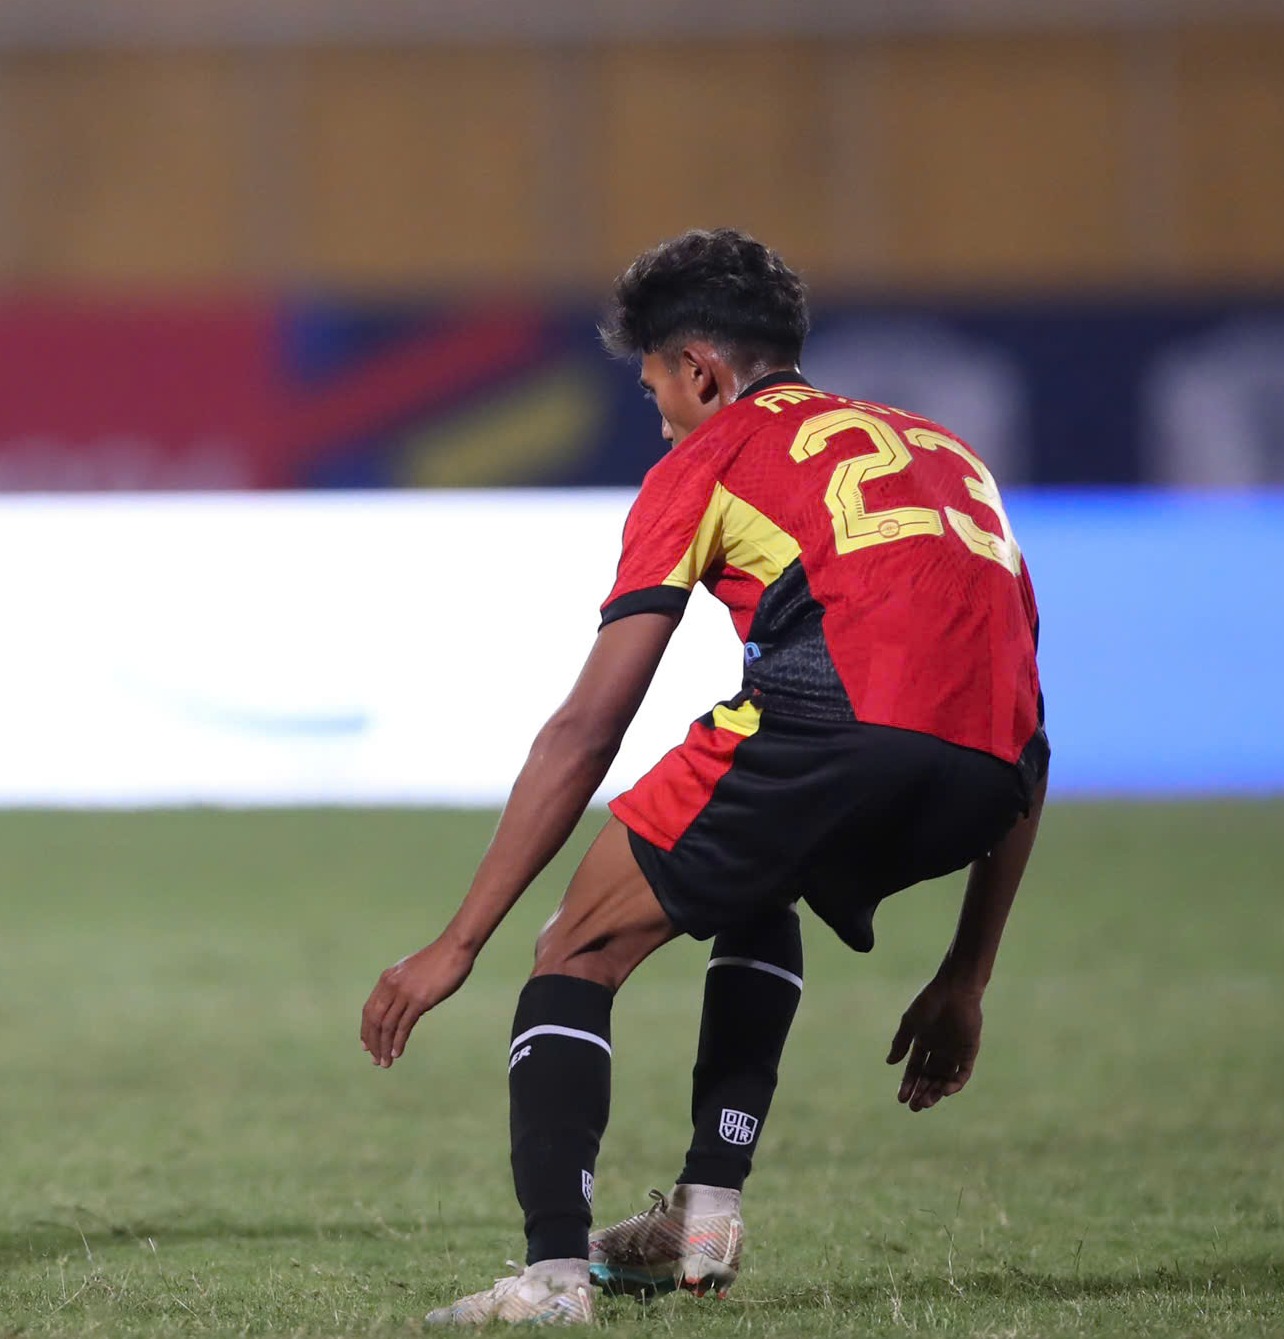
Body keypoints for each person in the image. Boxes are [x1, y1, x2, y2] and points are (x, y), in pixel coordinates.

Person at [358, 229, 1048, 1326]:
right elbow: (1028, 725)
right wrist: (967, 974)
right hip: (988, 775)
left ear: (703, 371)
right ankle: (704, 1206)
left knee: (574, 948)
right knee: (747, 878)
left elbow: (590, 724)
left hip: (837, 721)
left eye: (655, 388)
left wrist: (457, 941)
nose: (661, 414)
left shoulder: (709, 455)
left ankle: (549, 1278)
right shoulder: (942, 450)